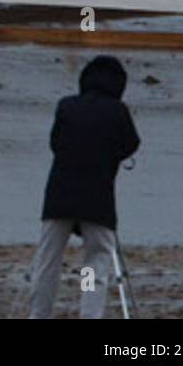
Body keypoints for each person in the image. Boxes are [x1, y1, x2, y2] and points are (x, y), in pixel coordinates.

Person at [29, 55, 140, 320]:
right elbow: (131, 144)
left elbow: (55, 143)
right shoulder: (118, 111)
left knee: (47, 262)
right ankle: (89, 315)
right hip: (98, 199)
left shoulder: (66, 106)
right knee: (96, 262)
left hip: (59, 195)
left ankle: (38, 315)